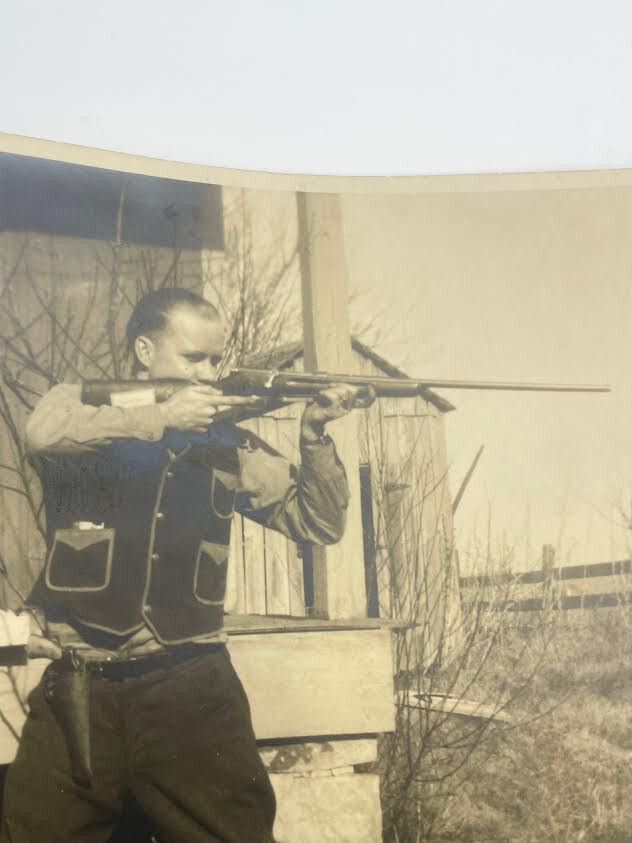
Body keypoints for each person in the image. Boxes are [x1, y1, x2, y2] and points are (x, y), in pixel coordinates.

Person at [1, 287, 368, 843]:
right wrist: (161, 417)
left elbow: (317, 523)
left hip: (190, 690)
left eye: (215, 360)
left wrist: (314, 434)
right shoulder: (86, 410)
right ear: (144, 351)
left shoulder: (226, 444)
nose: (208, 373)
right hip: (81, 690)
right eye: (192, 358)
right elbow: (42, 431)